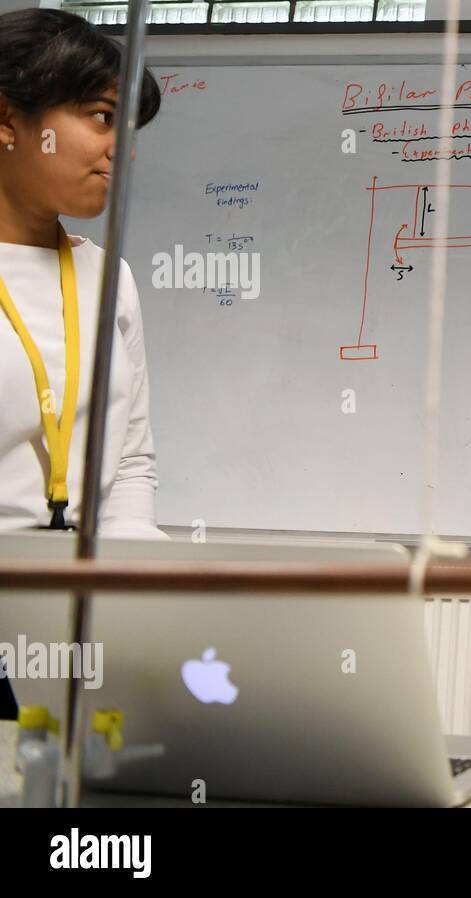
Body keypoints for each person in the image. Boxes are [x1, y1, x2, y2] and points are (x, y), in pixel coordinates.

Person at [0, 9, 166, 720]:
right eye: (101, 117)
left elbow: (128, 464)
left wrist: (141, 599)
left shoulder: (109, 278)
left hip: (84, 628)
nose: (118, 150)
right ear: (8, 119)